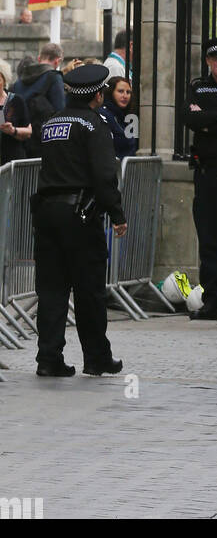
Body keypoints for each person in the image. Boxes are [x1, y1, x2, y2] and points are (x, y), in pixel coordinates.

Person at [31, 64, 127, 377]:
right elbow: (103, 174)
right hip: (80, 216)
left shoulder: (52, 122)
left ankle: (48, 358)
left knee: (51, 289)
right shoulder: (93, 124)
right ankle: (97, 357)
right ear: (98, 94)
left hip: (47, 213)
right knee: (89, 290)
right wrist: (116, 213)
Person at [182, 35, 217, 320]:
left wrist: (209, 118)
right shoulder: (198, 87)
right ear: (207, 62)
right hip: (207, 172)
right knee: (209, 237)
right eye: (216, 58)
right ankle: (212, 297)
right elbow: (190, 119)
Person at [12, 42, 66, 146]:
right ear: (57, 61)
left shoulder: (18, 83)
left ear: (39, 58)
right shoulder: (54, 78)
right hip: (43, 142)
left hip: (19, 140)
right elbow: (60, 113)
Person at [0, 58, 32, 163]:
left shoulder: (16, 101)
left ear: (4, 80)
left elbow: (28, 131)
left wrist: (13, 130)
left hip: (12, 161)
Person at [99, 77, 138, 159]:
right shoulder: (104, 114)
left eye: (128, 92)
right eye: (120, 91)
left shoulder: (127, 116)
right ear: (111, 92)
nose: (125, 96)